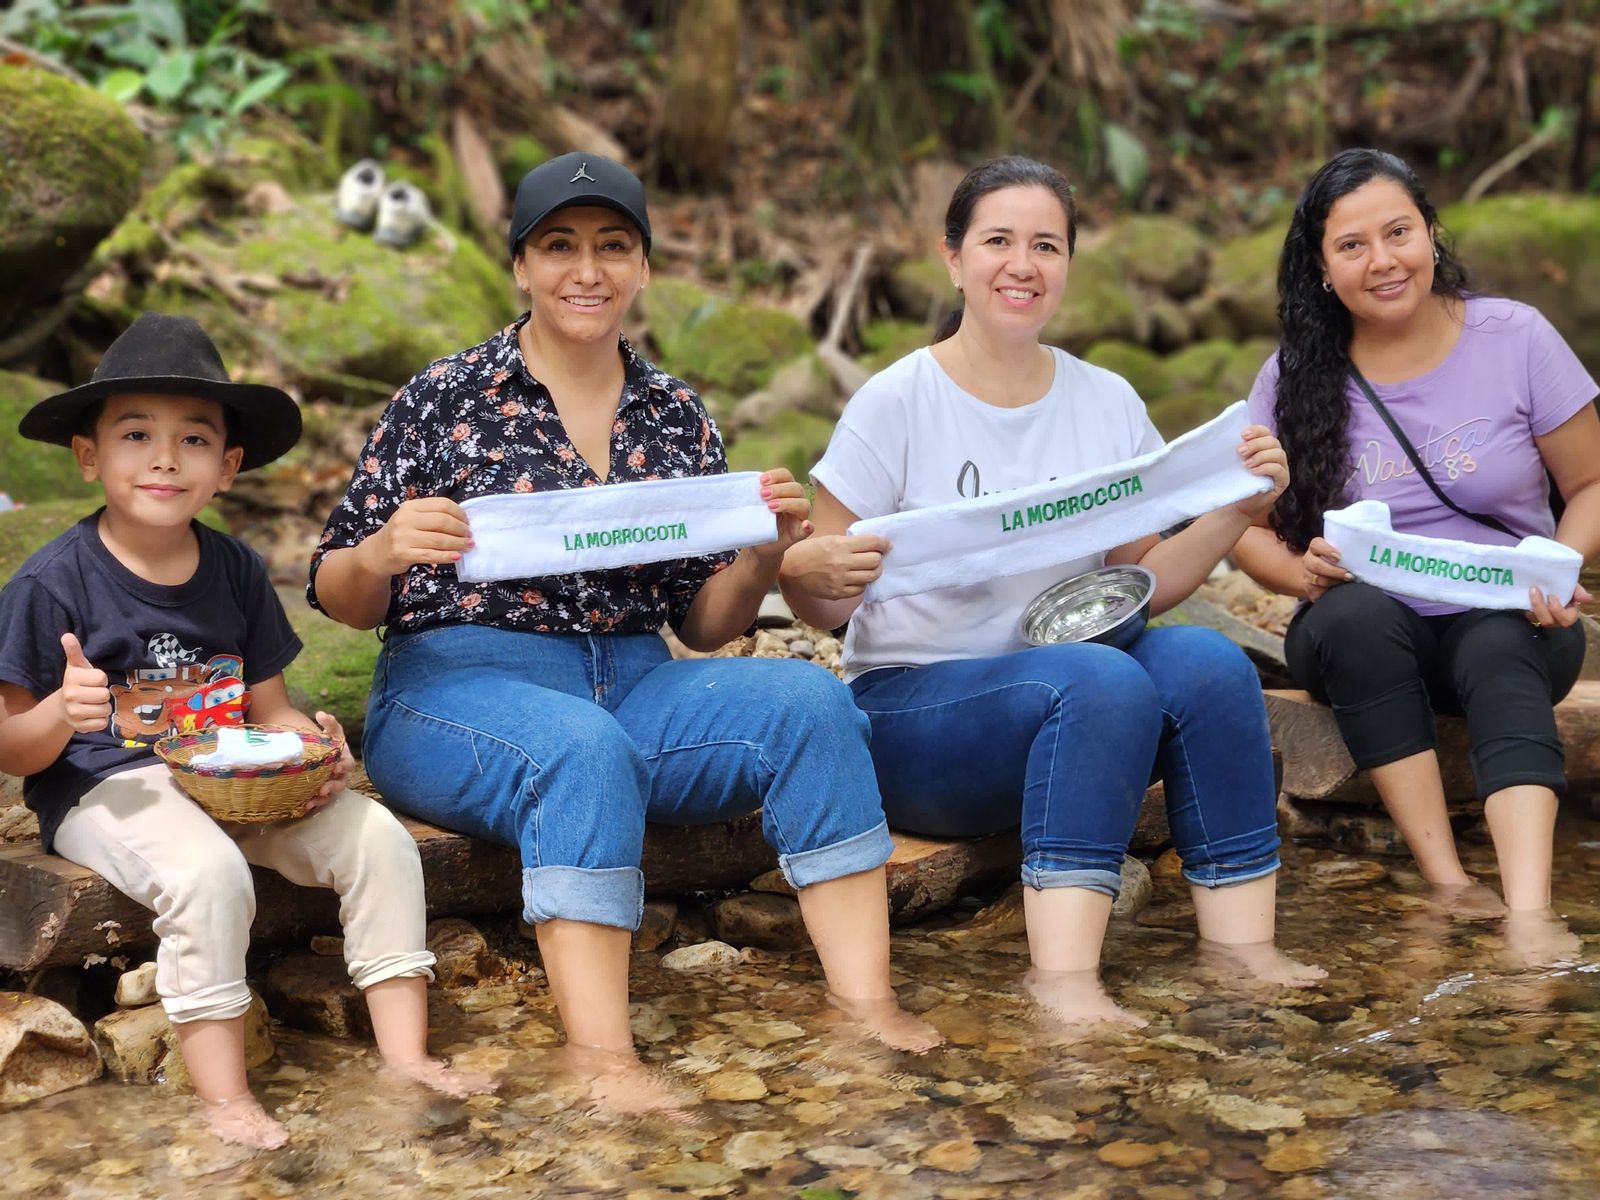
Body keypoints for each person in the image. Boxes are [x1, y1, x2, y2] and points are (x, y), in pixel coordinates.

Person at [308, 151, 940, 1112]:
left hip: (640, 680)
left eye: (612, 246)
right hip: (454, 687)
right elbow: (337, 592)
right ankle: (602, 1062)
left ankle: (867, 1006)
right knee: (581, 748)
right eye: (559, 246)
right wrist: (384, 551)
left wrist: (761, 559)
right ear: (521, 266)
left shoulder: (675, 413)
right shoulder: (444, 396)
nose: (587, 270)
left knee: (809, 701)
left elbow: (704, 624)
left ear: (643, 267)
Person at [780, 156, 1324, 1029]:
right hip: (919, 719)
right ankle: (1064, 983)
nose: (1022, 264)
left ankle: (1242, 951)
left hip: (1077, 694)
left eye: (1046, 245)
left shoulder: (1105, 400)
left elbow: (1141, 585)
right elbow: (823, 603)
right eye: (998, 241)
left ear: (1069, 263)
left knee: (1212, 664)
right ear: (953, 258)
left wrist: (1236, 512)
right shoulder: (896, 402)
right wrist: (802, 572)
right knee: (1098, 679)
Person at [0, 313, 490, 1151]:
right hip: (104, 785)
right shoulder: (52, 583)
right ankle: (224, 1096)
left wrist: (313, 749)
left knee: (377, 839)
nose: (164, 458)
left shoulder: (232, 567)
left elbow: (269, 710)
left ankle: (406, 1057)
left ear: (227, 467)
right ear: (89, 456)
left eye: (193, 438)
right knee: (208, 874)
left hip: (235, 780)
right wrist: (57, 713)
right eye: (136, 434)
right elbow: (14, 748)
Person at [1229, 148, 1600, 964]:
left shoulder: (1516, 338)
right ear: (1322, 268)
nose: (1382, 260)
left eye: (1398, 232)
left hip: (1512, 612)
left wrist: (1558, 568)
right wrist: (1299, 575)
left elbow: (1591, 483)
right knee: (1355, 618)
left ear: (1430, 232)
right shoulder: (1293, 377)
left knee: (1501, 642)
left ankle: (1531, 914)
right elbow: (1239, 525)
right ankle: (1448, 882)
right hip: (1362, 631)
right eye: (1351, 245)